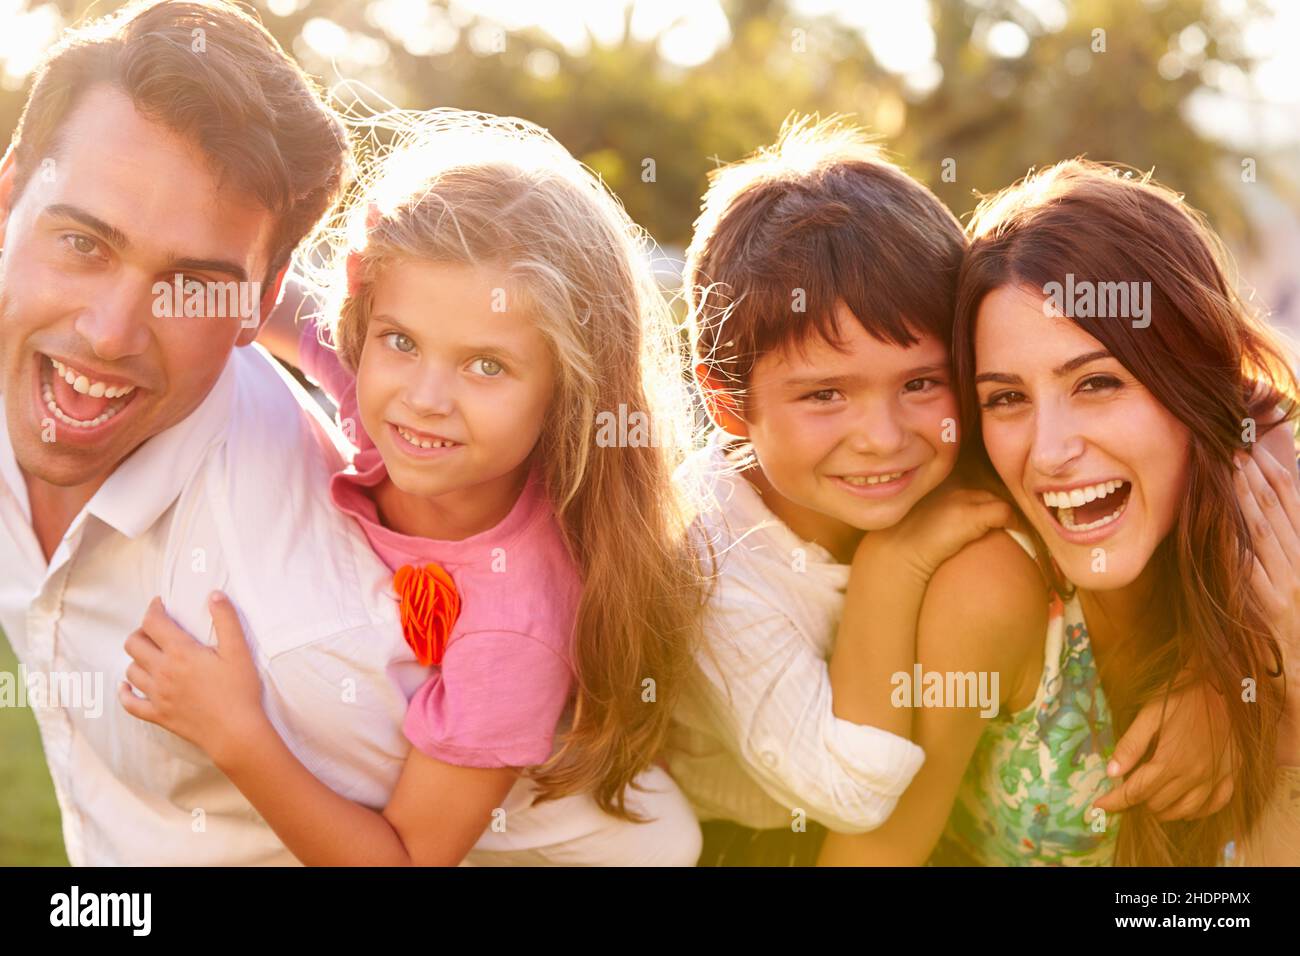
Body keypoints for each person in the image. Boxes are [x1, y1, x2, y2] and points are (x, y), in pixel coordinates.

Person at [120, 110, 706, 865]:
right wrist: (142, 286)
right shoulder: (392, 394)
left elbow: (400, 862)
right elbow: (275, 305)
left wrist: (235, 732)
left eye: (486, 366)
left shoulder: (513, 624)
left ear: (570, 389)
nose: (425, 396)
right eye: (400, 340)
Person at [670, 118, 1233, 866]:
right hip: (736, 840)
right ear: (729, 401)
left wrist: (1230, 675)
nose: (882, 436)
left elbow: (1248, 407)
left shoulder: (982, 462)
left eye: (922, 382)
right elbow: (852, 797)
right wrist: (894, 565)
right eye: (826, 395)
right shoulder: (710, 560)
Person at [0, 0, 404, 865]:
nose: (108, 333)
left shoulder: (318, 631)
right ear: (6, 199)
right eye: (82, 242)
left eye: (190, 285)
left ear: (259, 300)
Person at [820, 159, 1300, 866]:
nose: (1049, 453)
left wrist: (1265, 677)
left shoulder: (1271, 523)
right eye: (1006, 398)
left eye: (1098, 382)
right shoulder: (990, 593)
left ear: (1191, 381)